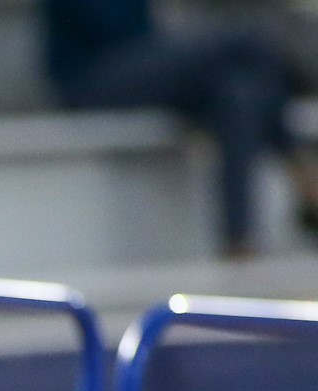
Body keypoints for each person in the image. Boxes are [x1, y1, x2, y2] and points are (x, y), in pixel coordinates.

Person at [42, 0, 318, 257]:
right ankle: (300, 167)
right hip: (92, 78)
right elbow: (108, 25)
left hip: (142, 65)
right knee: (246, 44)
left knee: (239, 91)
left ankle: (239, 240)